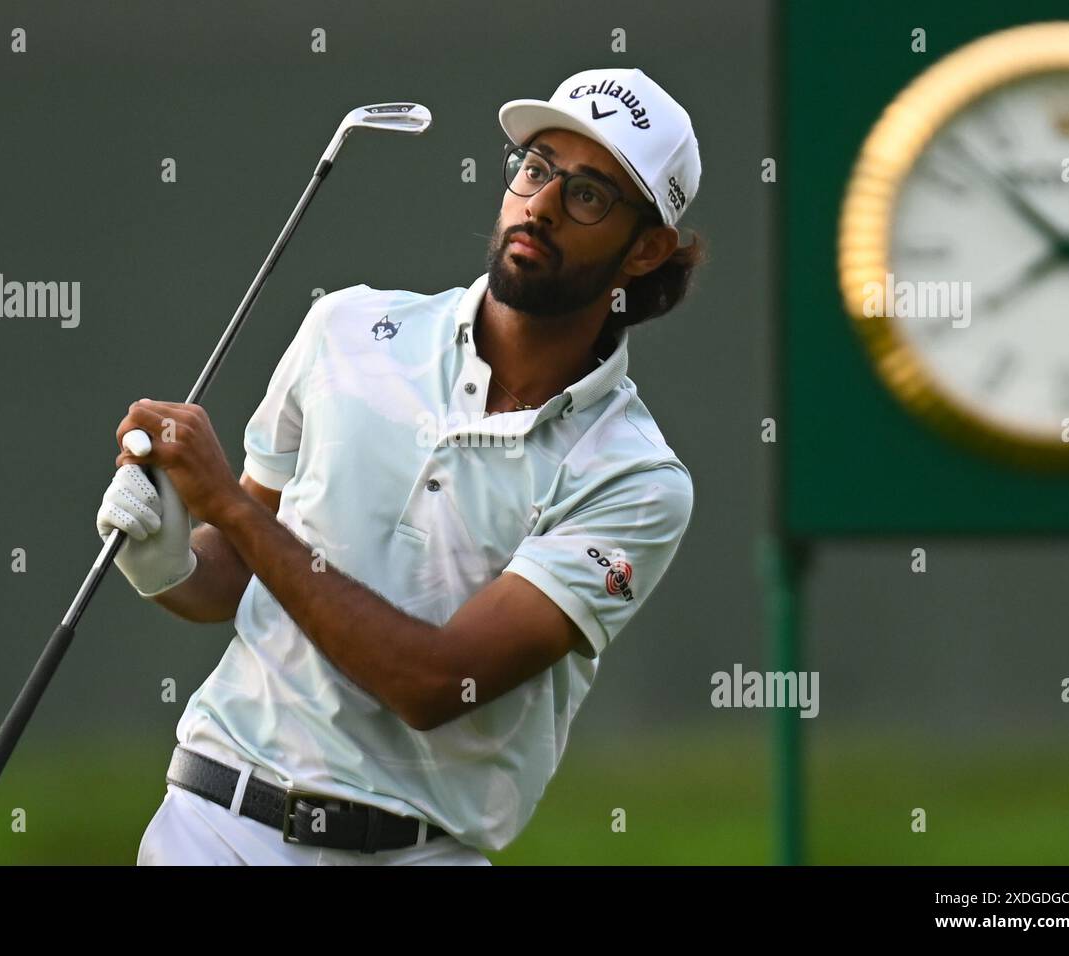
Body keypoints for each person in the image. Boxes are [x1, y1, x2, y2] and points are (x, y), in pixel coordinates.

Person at [98, 66, 704, 865]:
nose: (542, 206)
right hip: (217, 824)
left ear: (647, 250)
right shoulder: (342, 329)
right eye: (534, 170)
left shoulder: (635, 479)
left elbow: (435, 684)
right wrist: (166, 558)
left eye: (587, 194)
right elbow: (240, 574)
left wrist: (232, 511)